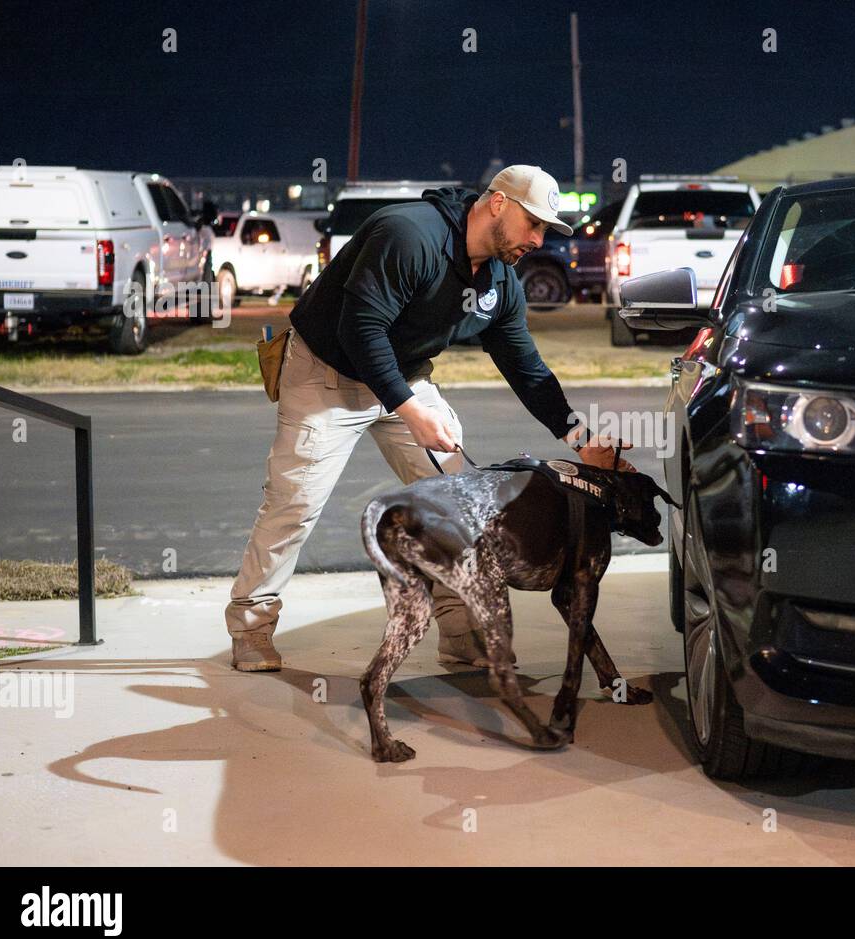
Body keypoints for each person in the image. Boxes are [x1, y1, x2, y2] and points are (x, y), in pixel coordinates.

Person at [224, 164, 634, 672]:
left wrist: (582, 437)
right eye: (534, 223)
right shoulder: (409, 235)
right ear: (498, 203)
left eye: (546, 229)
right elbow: (361, 328)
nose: (537, 239)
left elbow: (526, 369)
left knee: (460, 506)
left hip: (406, 378)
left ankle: (459, 633)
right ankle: (251, 627)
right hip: (326, 374)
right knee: (295, 505)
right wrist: (409, 409)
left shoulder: (500, 282)